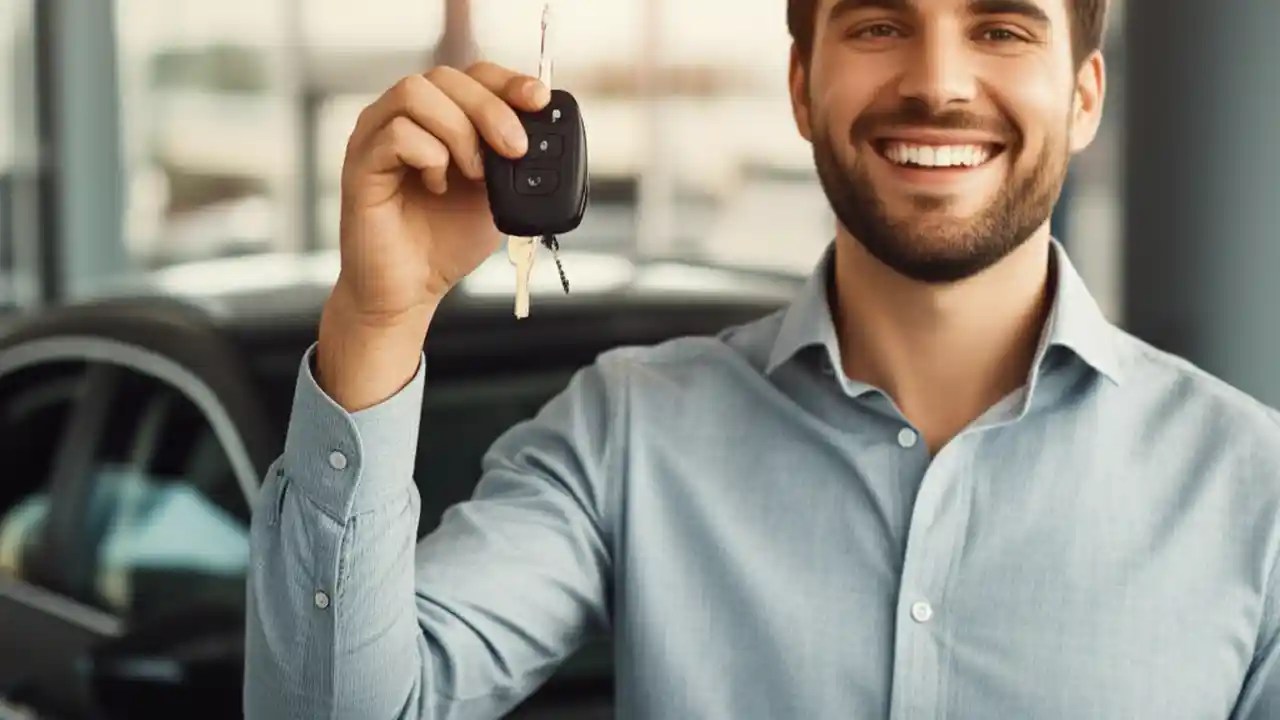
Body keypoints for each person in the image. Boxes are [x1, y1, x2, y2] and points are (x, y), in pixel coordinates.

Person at [243, 0, 1280, 717]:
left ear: (1085, 96)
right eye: (878, 24)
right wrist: (377, 321)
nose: (937, 82)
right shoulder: (627, 433)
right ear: (800, 85)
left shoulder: (1256, 493)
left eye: (1000, 28)